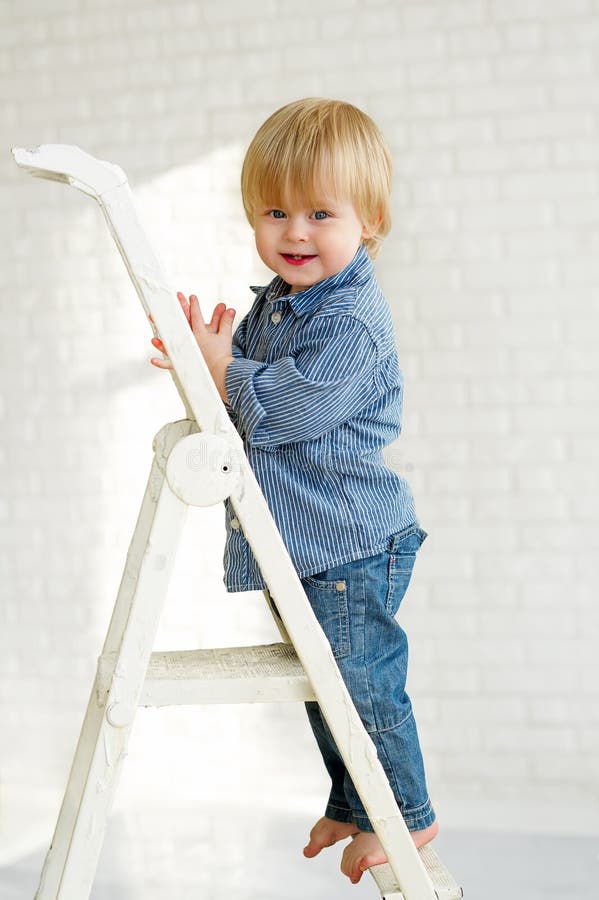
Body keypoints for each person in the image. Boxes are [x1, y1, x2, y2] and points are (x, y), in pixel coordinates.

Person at [150, 97, 438, 885]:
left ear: (369, 220)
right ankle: (353, 799)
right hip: (305, 545)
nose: (294, 232)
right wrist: (204, 362)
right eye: (275, 211)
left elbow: (290, 407)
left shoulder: (351, 320)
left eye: (319, 212)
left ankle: (406, 815)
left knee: (362, 683)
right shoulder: (278, 302)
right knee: (326, 684)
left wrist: (224, 369)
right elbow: (242, 390)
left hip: (349, 542)